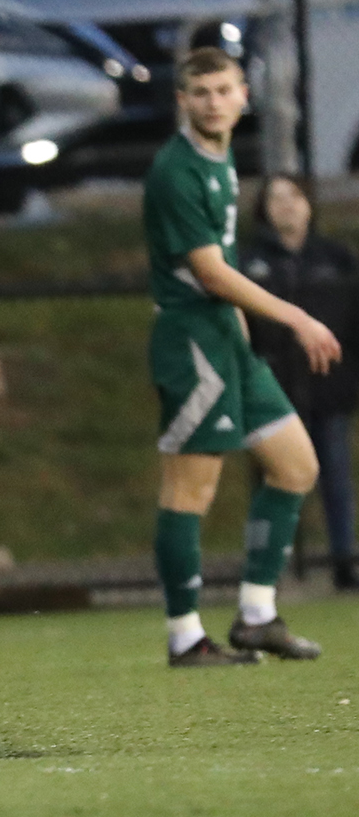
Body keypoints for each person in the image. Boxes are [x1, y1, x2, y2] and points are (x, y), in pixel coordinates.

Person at [140, 47, 335, 666]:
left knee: (296, 466)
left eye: (224, 90)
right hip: (193, 343)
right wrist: (296, 316)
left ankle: (256, 616)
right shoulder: (176, 171)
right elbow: (210, 272)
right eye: (201, 93)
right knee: (189, 488)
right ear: (182, 100)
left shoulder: (219, 159)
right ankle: (185, 637)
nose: (214, 103)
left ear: (244, 95)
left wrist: (242, 329)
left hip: (226, 338)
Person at [242, 174, 359, 591]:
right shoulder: (249, 263)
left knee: (335, 478)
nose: (286, 205)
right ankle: (268, 569)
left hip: (327, 387)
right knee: (275, 480)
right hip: (273, 389)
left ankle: (344, 561)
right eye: (275, 198)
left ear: (309, 204)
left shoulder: (335, 259)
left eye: (294, 196)